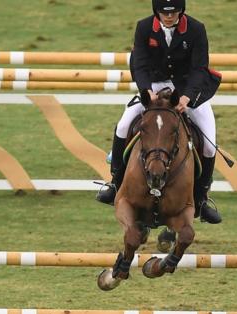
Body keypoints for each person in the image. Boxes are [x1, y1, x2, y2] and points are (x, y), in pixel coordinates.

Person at [96, 0, 223, 224]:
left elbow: (199, 68)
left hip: (186, 89)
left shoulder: (196, 29)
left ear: (181, 11)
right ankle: (115, 182)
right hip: (153, 87)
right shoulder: (144, 27)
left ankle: (201, 199)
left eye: (173, 12)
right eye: (164, 13)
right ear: (157, 11)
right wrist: (146, 90)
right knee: (125, 125)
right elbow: (140, 64)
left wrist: (188, 97)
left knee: (210, 144)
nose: (169, 17)